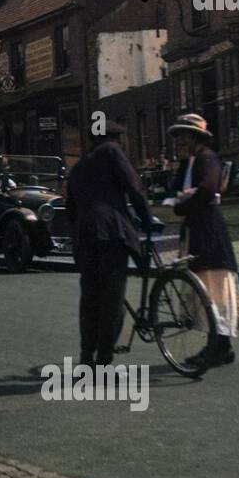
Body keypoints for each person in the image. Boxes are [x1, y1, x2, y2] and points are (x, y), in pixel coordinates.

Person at [64, 120, 154, 367]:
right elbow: (134, 188)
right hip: (111, 234)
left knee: (90, 299)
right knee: (112, 299)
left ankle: (86, 358)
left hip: (86, 237)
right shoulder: (112, 152)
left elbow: (70, 207)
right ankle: (104, 359)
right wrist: (147, 219)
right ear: (114, 138)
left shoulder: (79, 166)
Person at [166, 113, 239, 367]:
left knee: (214, 287)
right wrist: (179, 198)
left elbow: (207, 189)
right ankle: (220, 346)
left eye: (183, 136)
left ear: (195, 137)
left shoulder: (207, 158)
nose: (178, 141)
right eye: (177, 136)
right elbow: (174, 191)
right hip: (196, 231)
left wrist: (184, 203)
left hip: (209, 233)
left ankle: (218, 345)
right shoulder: (188, 163)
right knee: (204, 287)